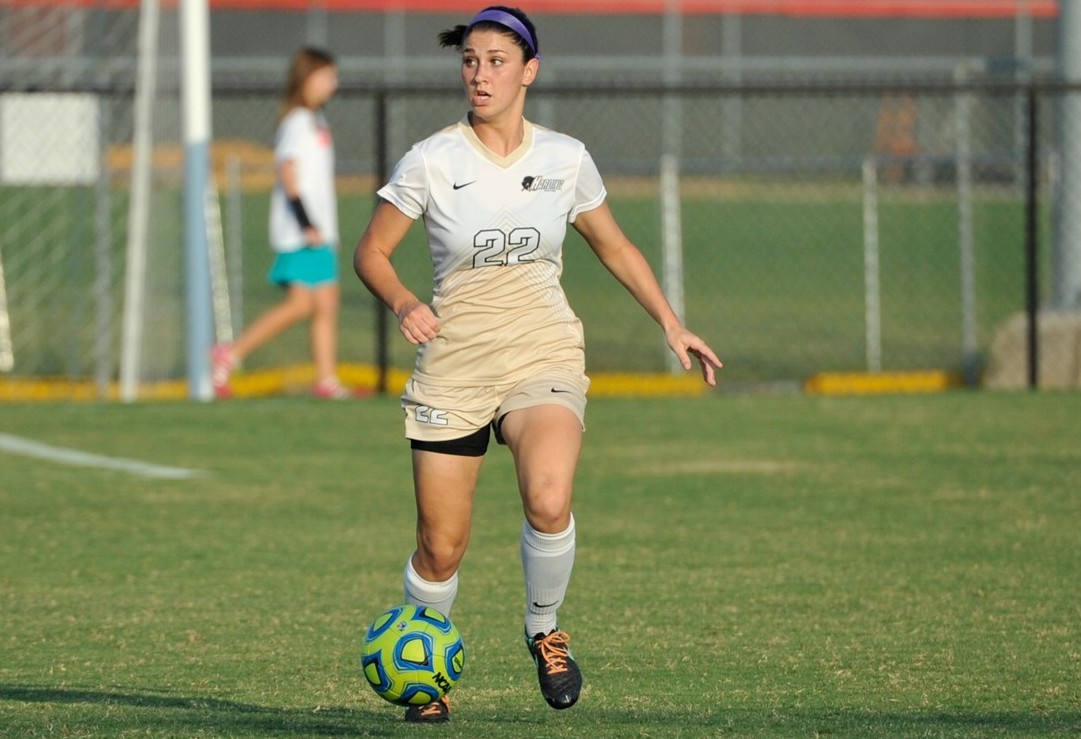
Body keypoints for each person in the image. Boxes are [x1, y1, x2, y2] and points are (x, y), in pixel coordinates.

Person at [353, 6, 722, 724]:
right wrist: (402, 301)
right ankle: (425, 669)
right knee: (440, 546)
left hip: (541, 351)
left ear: (529, 72)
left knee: (548, 496)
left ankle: (544, 627)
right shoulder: (433, 158)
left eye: (495, 61)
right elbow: (370, 252)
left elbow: (612, 246)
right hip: (455, 367)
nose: (479, 73)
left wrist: (671, 324)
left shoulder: (564, 158)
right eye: (469, 61)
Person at [212, 47, 350, 400]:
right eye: (326, 77)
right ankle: (233, 353)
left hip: (319, 229)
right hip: (305, 231)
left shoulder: (317, 120)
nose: (332, 84)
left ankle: (326, 379)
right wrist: (307, 223)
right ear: (306, 79)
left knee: (324, 305)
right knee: (305, 304)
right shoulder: (297, 122)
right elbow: (287, 171)